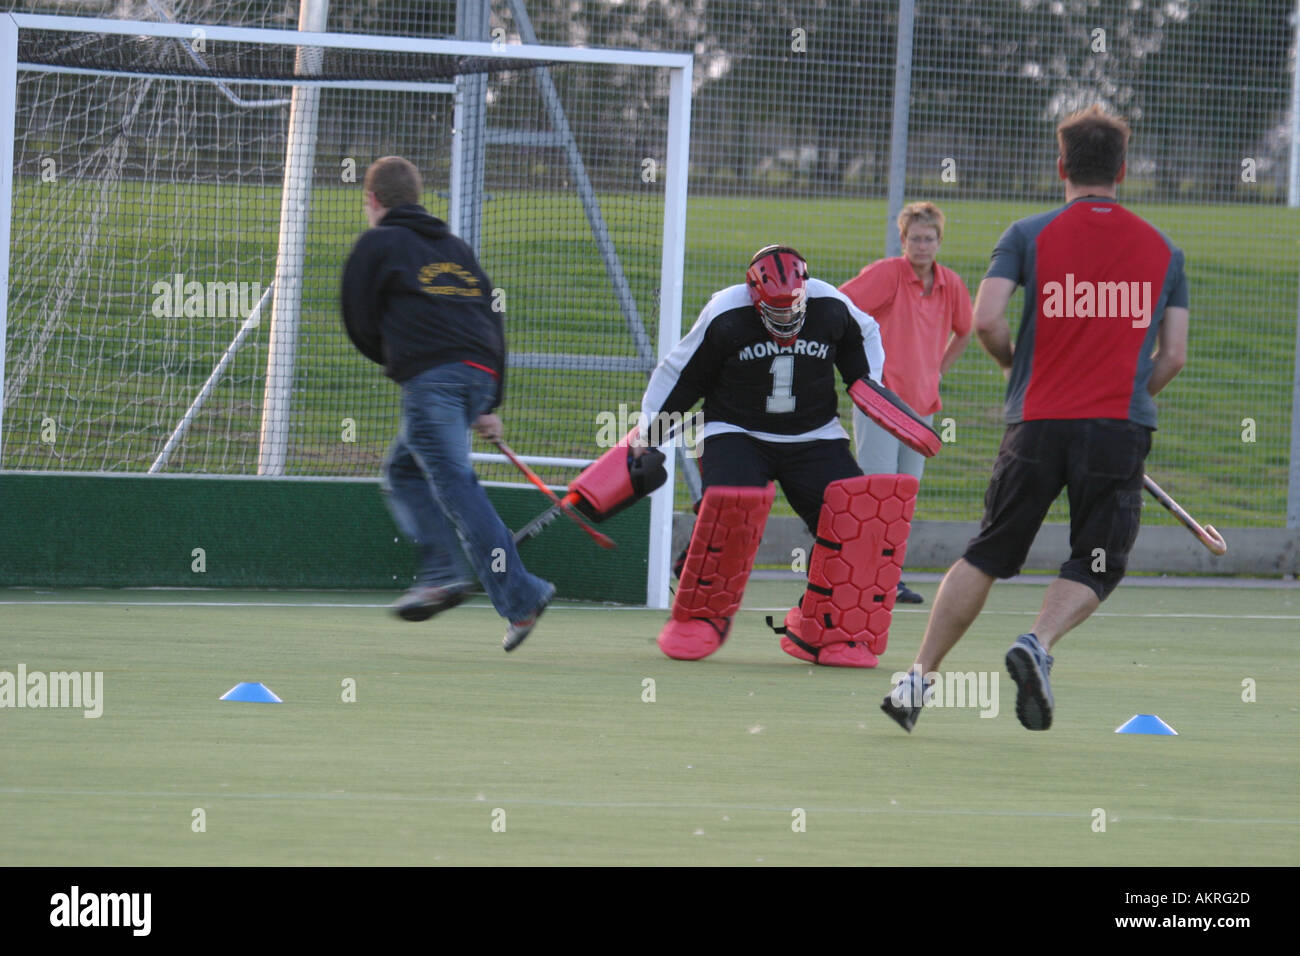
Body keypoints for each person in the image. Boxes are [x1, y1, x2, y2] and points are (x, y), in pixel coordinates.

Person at [880, 105, 1189, 732]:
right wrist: (1131, 394)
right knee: (1097, 561)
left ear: (1061, 167)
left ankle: (917, 679)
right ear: (1122, 171)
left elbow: (987, 320)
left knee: (989, 552)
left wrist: (1013, 370)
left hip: (1037, 421)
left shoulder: (1027, 234)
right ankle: (1039, 643)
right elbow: (1174, 355)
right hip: (1117, 429)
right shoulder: (1165, 250)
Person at [630, 245, 939, 667]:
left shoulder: (830, 305)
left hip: (814, 435)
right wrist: (649, 434)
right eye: (774, 309)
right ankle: (698, 607)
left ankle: (829, 628)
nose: (785, 317)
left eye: (792, 307)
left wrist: (866, 380)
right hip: (737, 430)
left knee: (860, 520)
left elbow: (865, 331)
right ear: (755, 298)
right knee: (731, 509)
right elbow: (679, 373)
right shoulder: (726, 312)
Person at [340, 155, 555, 652]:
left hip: (432, 378)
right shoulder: (456, 248)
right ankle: (454, 575)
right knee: (407, 472)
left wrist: (401, 357)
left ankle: (506, 591)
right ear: (416, 198)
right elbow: (491, 317)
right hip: (476, 372)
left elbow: (358, 319)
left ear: (372, 201)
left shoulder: (376, 243)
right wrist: (487, 398)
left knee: (456, 487)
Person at [840, 202, 972, 604]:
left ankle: (889, 580)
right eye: (914, 238)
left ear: (939, 242)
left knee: (904, 496)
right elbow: (840, 306)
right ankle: (862, 578)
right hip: (881, 402)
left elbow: (964, 331)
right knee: (877, 491)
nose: (921, 245)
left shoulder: (951, 284)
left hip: (922, 407)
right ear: (903, 240)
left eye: (929, 238)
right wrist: (861, 368)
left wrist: (938, 371)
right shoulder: (887, 274)